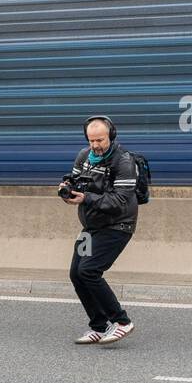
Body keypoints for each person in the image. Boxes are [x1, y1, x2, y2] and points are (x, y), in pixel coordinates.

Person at [60, 116, 138, 345]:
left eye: (100, 140)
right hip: (91, 227)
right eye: (91, 140)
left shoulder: (123, 161)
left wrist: (87, 198)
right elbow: (76, 183)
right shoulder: (84, 156)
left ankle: (122, 322)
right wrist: (67, 190)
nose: (95, 145)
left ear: (111, 136)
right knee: (76, 273)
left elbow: (121, 200)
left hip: (118, 225)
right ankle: (99, 326)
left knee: (89, 271)